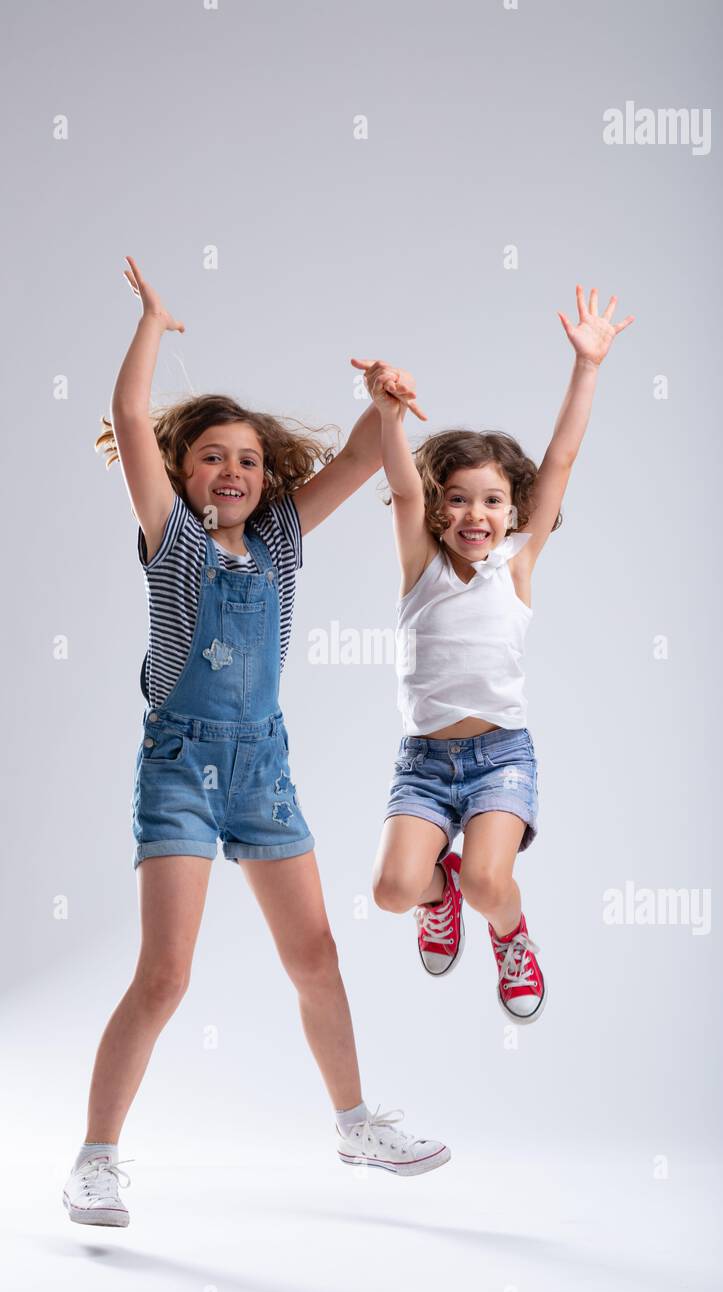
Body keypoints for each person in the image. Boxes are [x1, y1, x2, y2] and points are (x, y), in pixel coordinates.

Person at [63, 258, 451, 1227]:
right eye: (209, 458)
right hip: (182, 769)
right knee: (166, 972)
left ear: (265, 474)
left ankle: (355, 1121)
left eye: (245, 458)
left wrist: (384, 400)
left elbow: (365, 458)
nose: (229, 471)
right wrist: (153, 322)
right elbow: (129, 404)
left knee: (316, 951)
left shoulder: (279, 535)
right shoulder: (173, 538)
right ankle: (94, 1158)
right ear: (179, 473)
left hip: (264, 768)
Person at [361, 284, 634, 1017]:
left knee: (490, 884)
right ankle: (436, 895)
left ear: (513, 510)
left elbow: (563, 458)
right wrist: (386, 413)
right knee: (391, 892)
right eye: (455, 498)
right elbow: (399, 483)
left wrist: (586, 367)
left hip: (499, 757)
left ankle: (511, 937)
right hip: (422, 761)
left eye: (489, 500)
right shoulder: (418, 568)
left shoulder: (515, 564)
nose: (472, 514)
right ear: (435, 506)